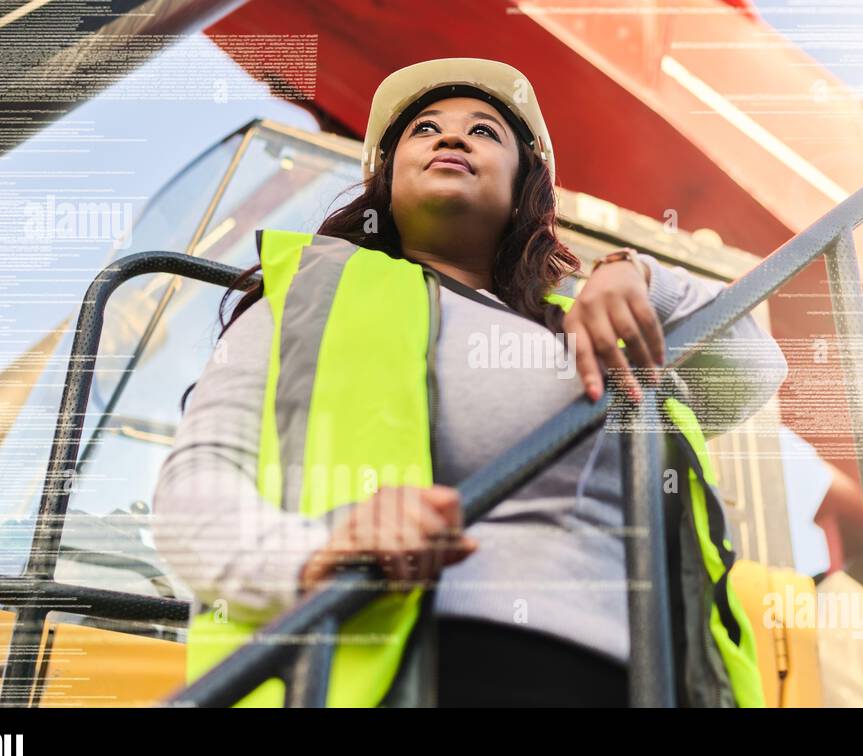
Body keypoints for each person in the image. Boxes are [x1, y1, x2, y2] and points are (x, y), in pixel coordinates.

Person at [152, 58, 788, 707]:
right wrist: (314, 553)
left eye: (484, 131)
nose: (452, 138)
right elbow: (194, 490)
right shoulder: (310, 302)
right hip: (440, 675)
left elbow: (752, 372)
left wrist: (640, 276)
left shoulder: (589, 332)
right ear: (386, 178)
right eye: (425, 128)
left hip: (655, 682)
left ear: (522, 188)